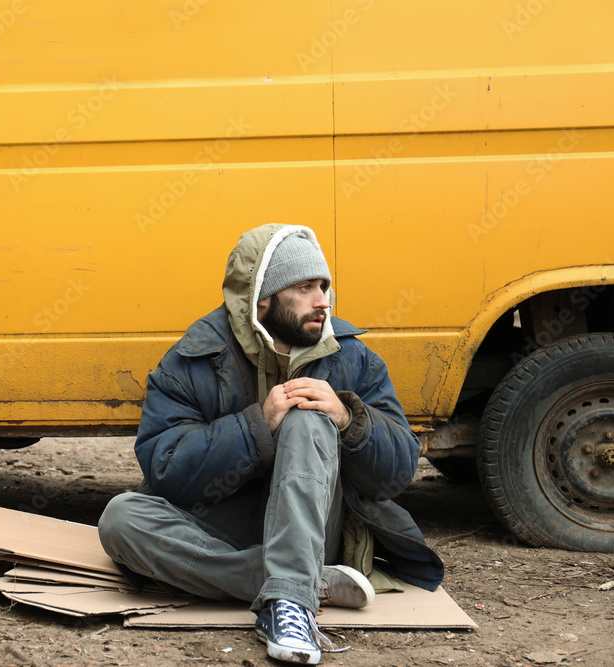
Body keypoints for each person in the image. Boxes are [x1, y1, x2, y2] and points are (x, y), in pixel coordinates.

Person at [98, 224, 444, 665]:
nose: (323, 301)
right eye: (304, 288)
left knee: (308, 417)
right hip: (218, 529)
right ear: (262, 299)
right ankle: (307, 582)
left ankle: (290, 603)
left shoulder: (355, 359)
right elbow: (165, 468)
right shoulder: (193, 358)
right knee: (120, 519)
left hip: (316, 532)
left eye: (323, 287)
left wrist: (347, 420)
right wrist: (255, 428)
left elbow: (397, 474)